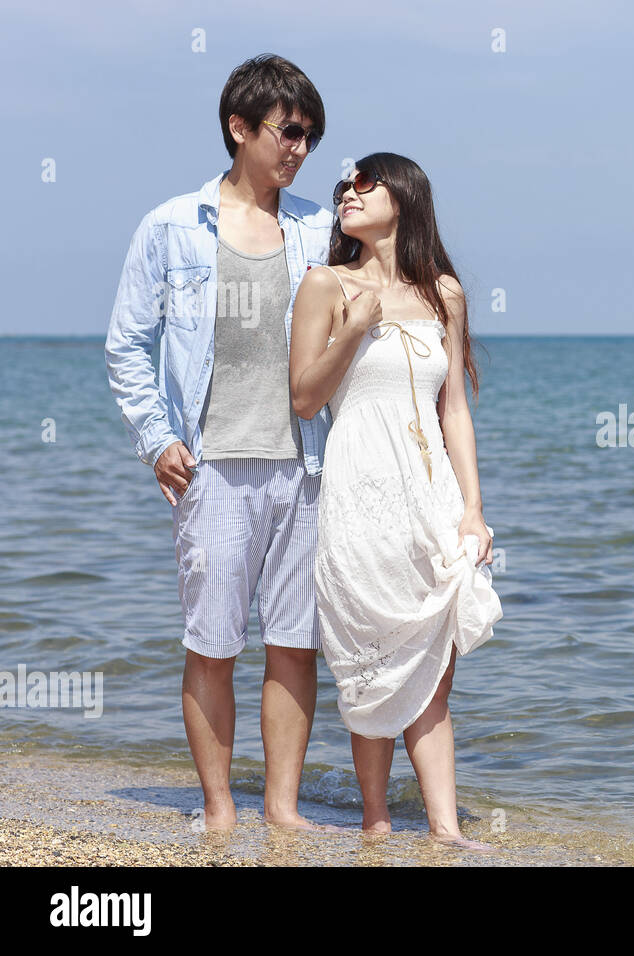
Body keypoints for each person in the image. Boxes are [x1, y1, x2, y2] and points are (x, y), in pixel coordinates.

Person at [104, 54, 334, 831]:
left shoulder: (319, 230)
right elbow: (126, 344)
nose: (300, 148)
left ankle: (283, 809)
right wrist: (156, 438)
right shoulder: (170, 227)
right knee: (212, 646)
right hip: (213, 469)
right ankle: (217, 808)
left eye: (310, 136)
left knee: (296, 645)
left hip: (308, 467)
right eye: (289, 131)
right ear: (240, 127)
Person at [289, 153, 502, 848]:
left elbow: (456, 412)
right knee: (366, 657)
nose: (347, 192)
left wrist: (472, 509)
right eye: (343, 186)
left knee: (432, 662)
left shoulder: (446, 293)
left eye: (364, 183)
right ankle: (376, 820)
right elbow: (304, 396)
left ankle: (444, 827)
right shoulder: (325, 284)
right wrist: (354, 326)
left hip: (430, 495)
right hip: (359, 491)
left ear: (403, 197)